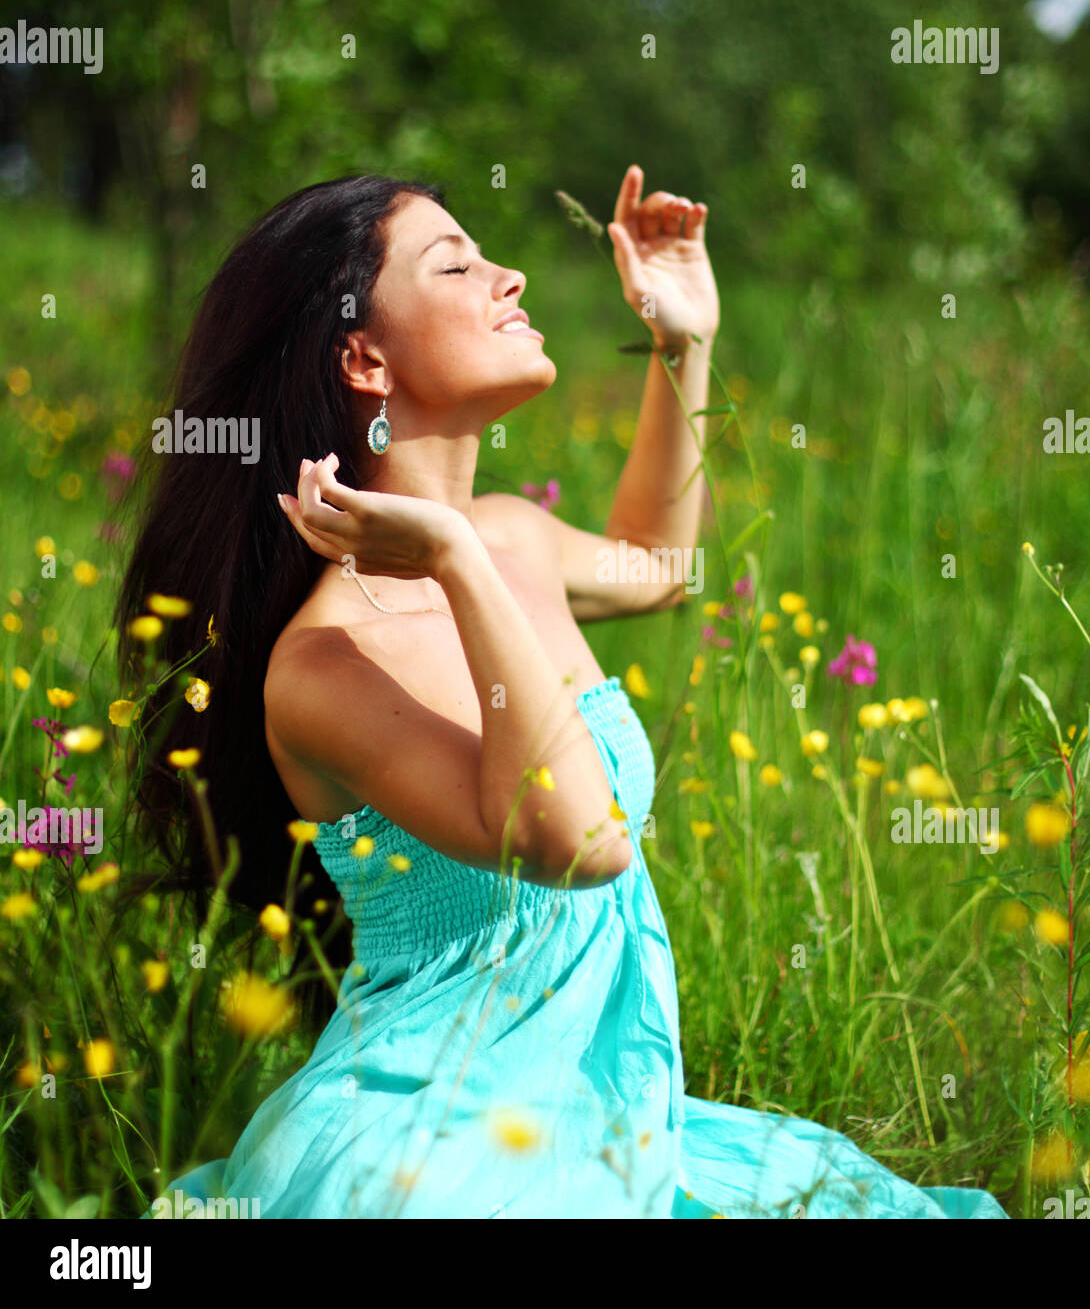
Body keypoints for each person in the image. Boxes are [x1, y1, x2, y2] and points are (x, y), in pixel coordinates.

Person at [129, 166, 1005, 1218]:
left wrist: (681, 340)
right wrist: (453, 559)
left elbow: (657, 566)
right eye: (456, 263)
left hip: (599, 1115)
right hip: (432, 1142)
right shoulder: (325, 664)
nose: (511, 275)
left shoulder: (510, 534)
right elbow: (582, 841)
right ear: (363, 355)